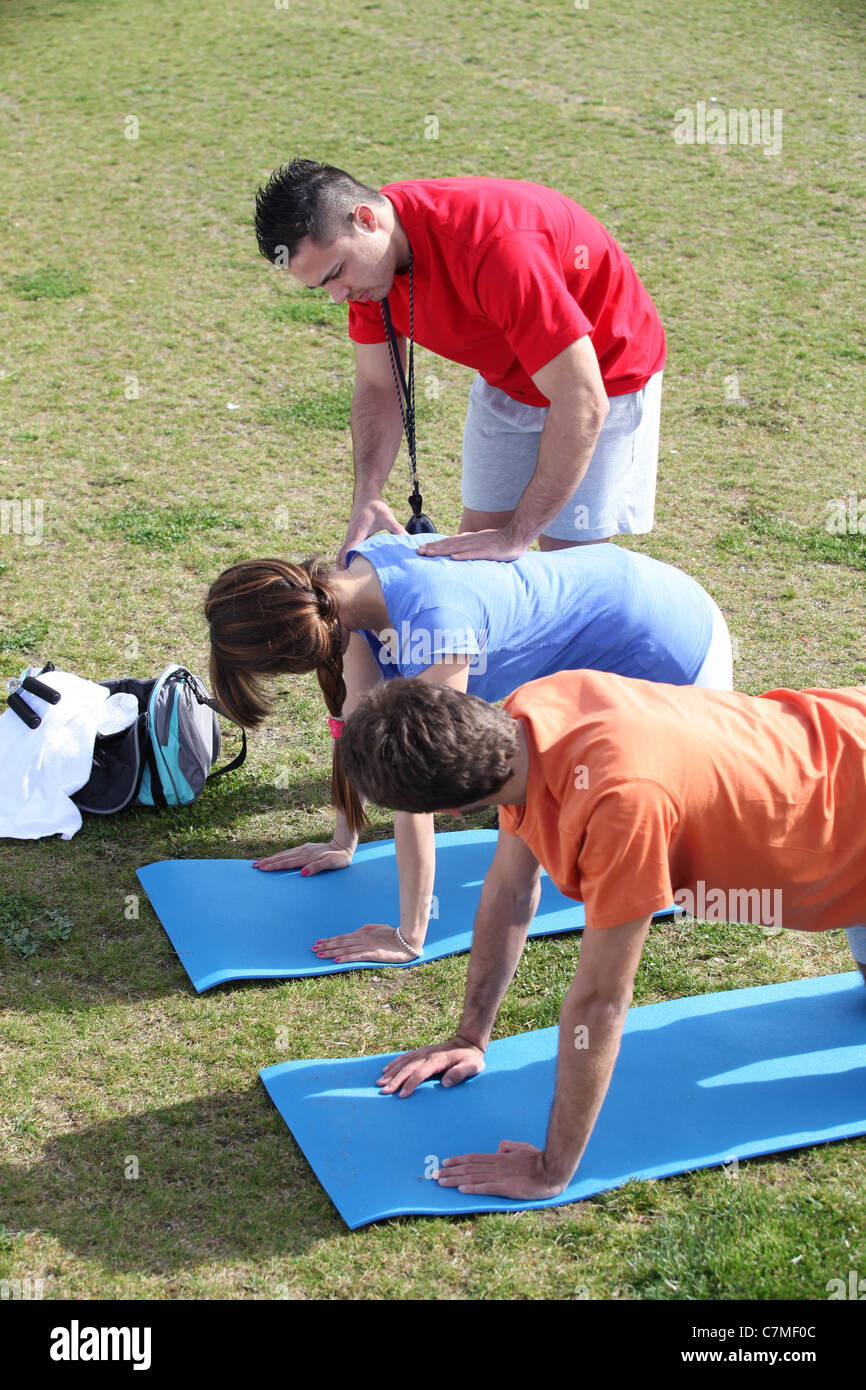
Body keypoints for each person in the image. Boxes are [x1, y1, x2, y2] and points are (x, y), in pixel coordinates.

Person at [336, 672, 866, 1200]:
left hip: (843, 813)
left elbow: (600, 1002)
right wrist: (470, 1037)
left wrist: (550, 1169)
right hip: (837, 771)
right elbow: (509, 891)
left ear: (448, 809)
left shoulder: (619, 803)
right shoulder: (525, 724)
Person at [205, 531, 733, 964]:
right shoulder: (349, 584)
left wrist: (410, 935)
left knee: (658, 839)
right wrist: (345, 839)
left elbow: (414, 781)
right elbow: (354, 721)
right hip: (625, 599)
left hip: (673, 644)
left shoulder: (438, 626)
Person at [254, 159, 666, 564]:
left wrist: (517, 535)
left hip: (606, 375)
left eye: (337, 273)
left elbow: (583, 400)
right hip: (509, 377)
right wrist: (369, 493)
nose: (338, 296)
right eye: (322, 286)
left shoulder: (497, 248)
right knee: (472, 553)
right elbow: (379, 387)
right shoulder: (368, 274)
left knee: (572, 566)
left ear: (366, 219)